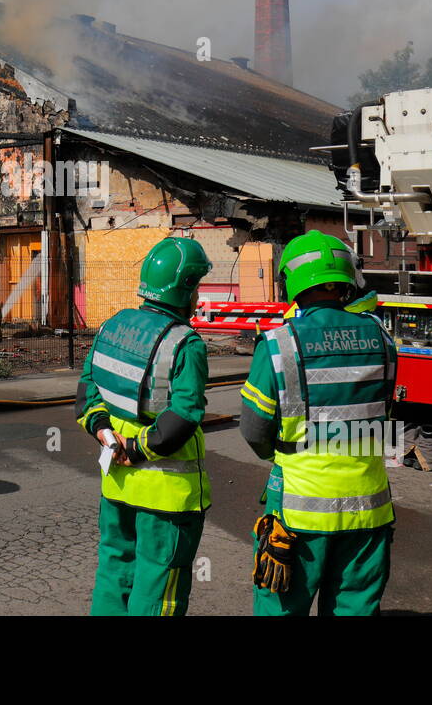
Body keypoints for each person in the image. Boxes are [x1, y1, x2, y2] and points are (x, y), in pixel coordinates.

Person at [241, 230, 398, 616]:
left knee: (282, 607)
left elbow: (254, 428)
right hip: (369, 505)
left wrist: (277, 455)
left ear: (291, 281)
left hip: (300, 509)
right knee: (354, 607)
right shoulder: (381, 336)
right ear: (345, 279)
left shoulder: (279, 343)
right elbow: (385, 412)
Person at [75, 236, 212, 616]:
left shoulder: (112, 326)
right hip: (166, 498)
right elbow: (184, 417)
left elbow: (88, 392)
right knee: (159, 586)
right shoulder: (186, 343)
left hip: (116, 485)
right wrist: (136, 449)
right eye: (196, 285)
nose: (198, 294)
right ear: (185, 287)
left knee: (115, 573)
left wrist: (106, 435)